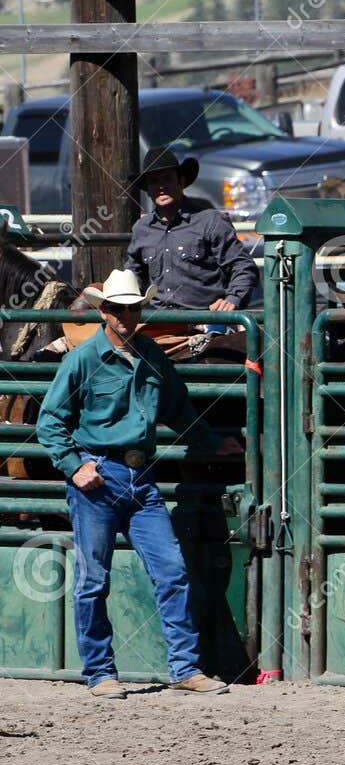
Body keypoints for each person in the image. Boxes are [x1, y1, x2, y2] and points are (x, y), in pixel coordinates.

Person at [36, 270, 244, 699]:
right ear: (104, 312)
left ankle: (184, 668)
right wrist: (74, 465)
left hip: (141, 477)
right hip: (98, 477)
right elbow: (51, 421)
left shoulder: (152, 355)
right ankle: (99, 672)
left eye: (133, 307)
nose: (127, 315)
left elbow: (177, 408)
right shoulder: (82, 359)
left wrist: (210, 441)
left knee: (172, 572)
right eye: (118, 308)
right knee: (94, 579)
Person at [124, 146, 259, 312]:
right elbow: (133, 277)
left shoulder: (210, 221)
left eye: (167, 179)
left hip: (206, 320)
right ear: (148, 189)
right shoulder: (141, 229)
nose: (161, 186)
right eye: (154, 181)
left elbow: (243, 267)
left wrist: (232, 300)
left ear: (181, 182)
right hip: (159, 323)